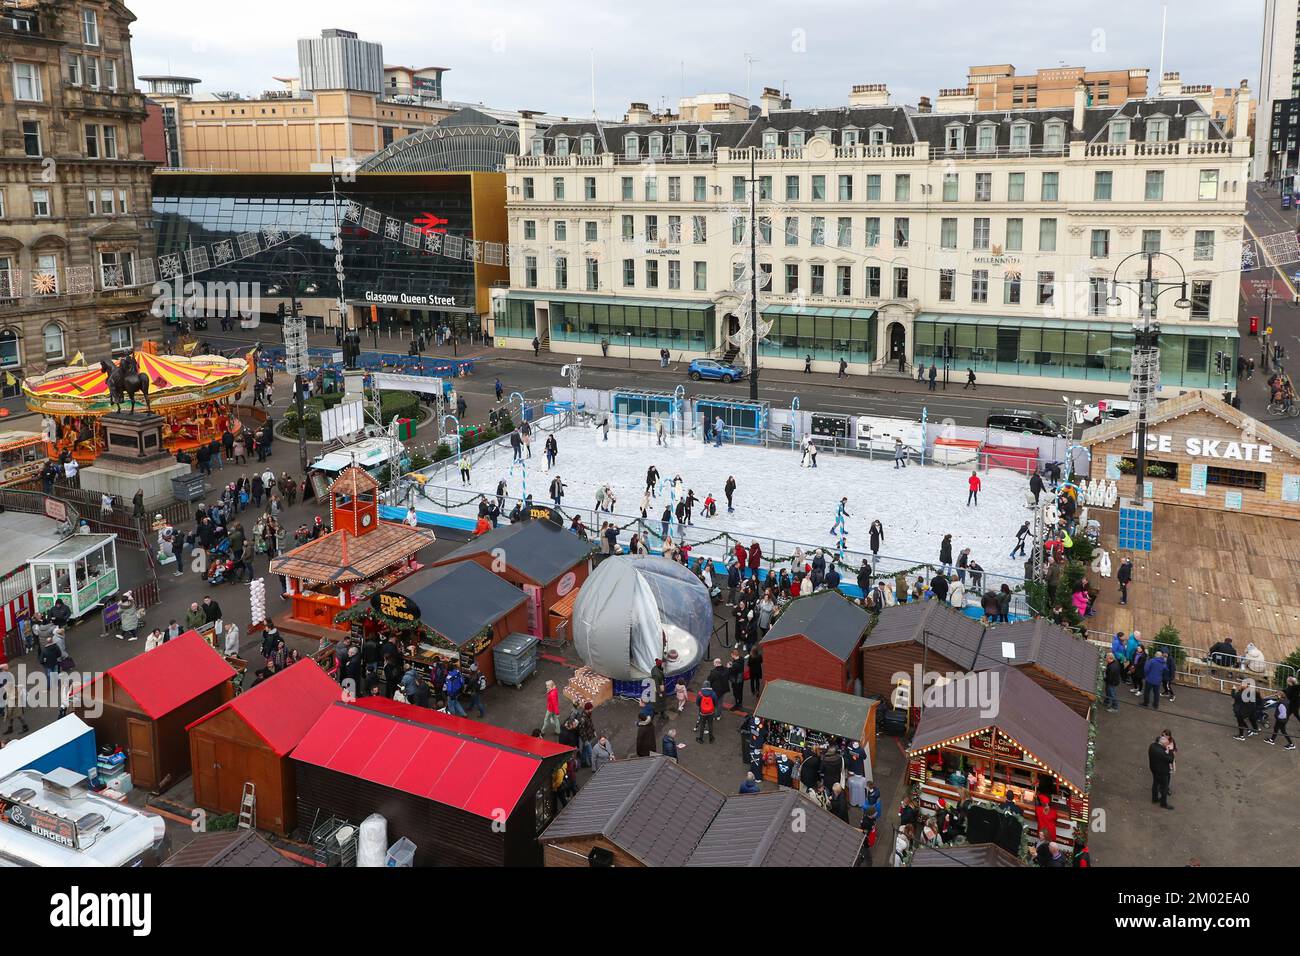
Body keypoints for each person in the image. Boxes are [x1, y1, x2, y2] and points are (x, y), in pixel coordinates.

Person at [1148, 733, 1174, 810]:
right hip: (1162, 772)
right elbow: (1170, 759)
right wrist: (1170, 750)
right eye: (1166, 743)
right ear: (1162, 743)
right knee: (1164, 787)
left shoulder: (1152, 746)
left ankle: (1154, 798)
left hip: (1154, 769)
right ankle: (1163, 803)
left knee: (1155, 783)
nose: (1167, 744)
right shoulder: (1161, 752)